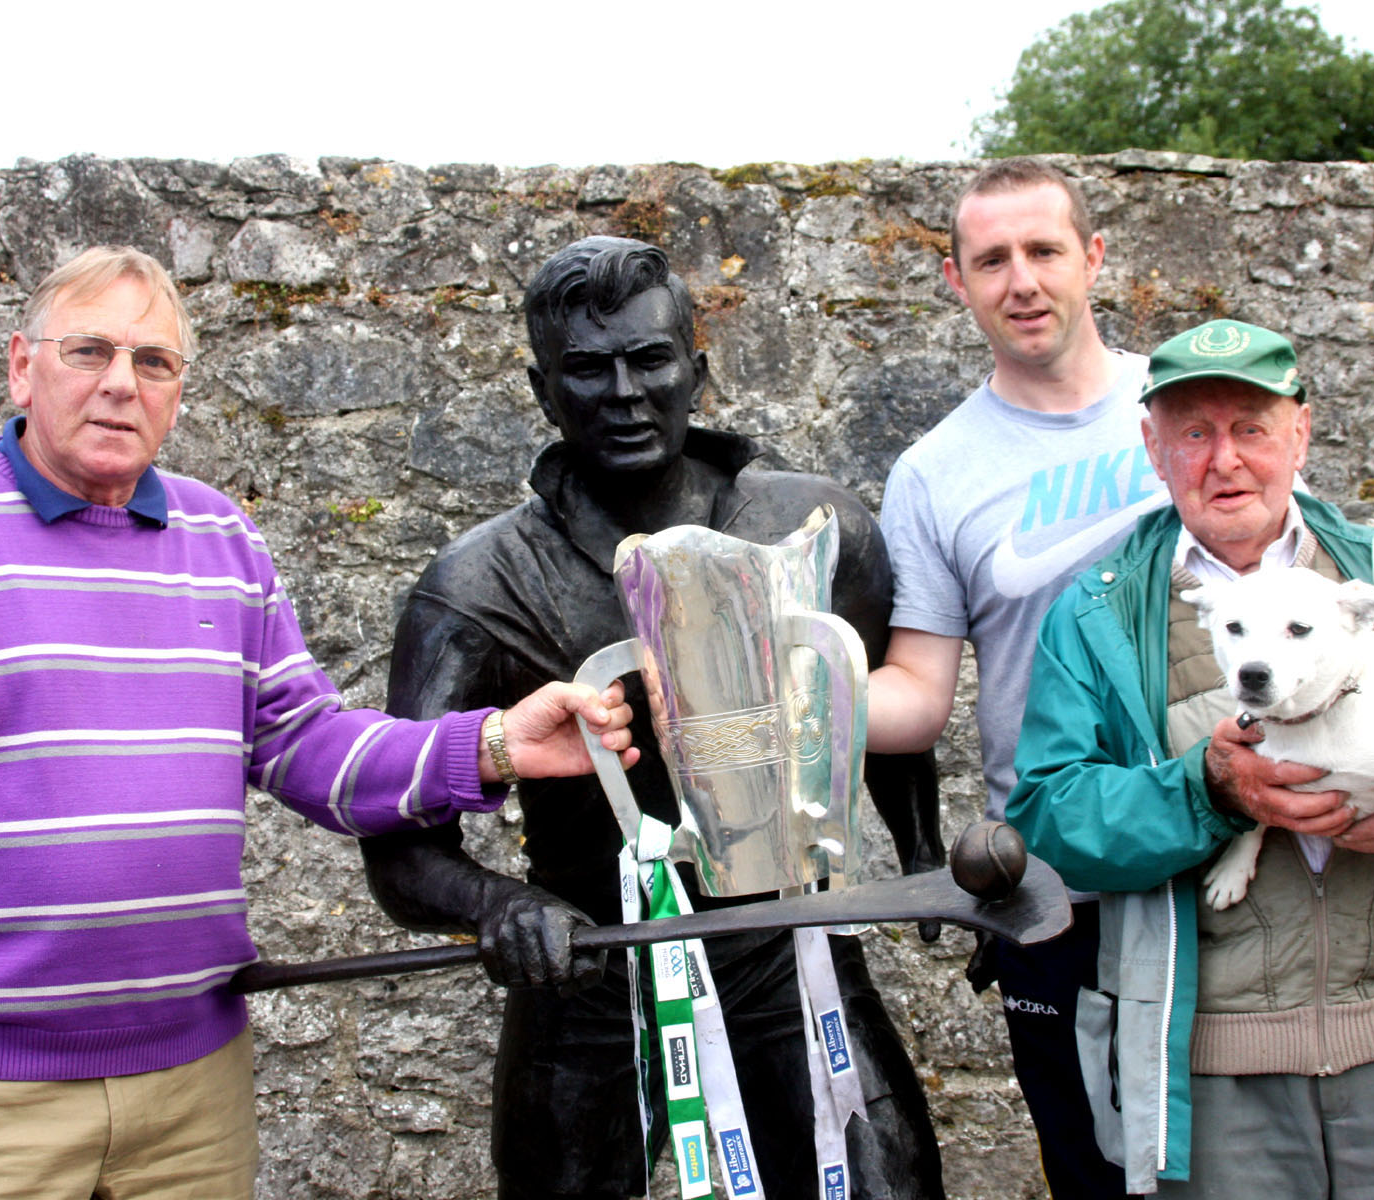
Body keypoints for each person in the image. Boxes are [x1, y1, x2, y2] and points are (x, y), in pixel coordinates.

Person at [0, 246, 637, 1200]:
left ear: (178, 391)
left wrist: (493, 744)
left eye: (154, 363)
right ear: (22, 366)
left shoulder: (219, 540)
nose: (121, 384)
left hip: (192, 1094)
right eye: (90, 352)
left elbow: (302, 743)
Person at [360, 236, 945, 1199]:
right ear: (544, 392)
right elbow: (397, 840)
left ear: (697, 372)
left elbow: (866, 690)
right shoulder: (476, 587)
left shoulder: (820, 528)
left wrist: (922, 854)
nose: (625, 393)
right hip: (585, 971)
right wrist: (496, 906)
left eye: (650, 360)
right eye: (588, 370)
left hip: (788, 952)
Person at [1006, 318, 1374, 1196]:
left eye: (1250, 427)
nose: (1224, 460)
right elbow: (1052, 818)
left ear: (1300, 433)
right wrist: (1208, 787)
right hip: (1217, 1087)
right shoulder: (1097, 619)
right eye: (1194, 432)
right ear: (1152, 446)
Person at [868, 157, 1163, 1197]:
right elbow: (916, 695)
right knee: (1096, 1177)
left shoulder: (1192, 405)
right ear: (958, 282)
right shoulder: (934, 475)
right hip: (1059, 893)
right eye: (991, 260)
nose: (1022, 280)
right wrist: (777, 699)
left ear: (1093, 258)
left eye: (1043, 250)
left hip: (1233, 858)